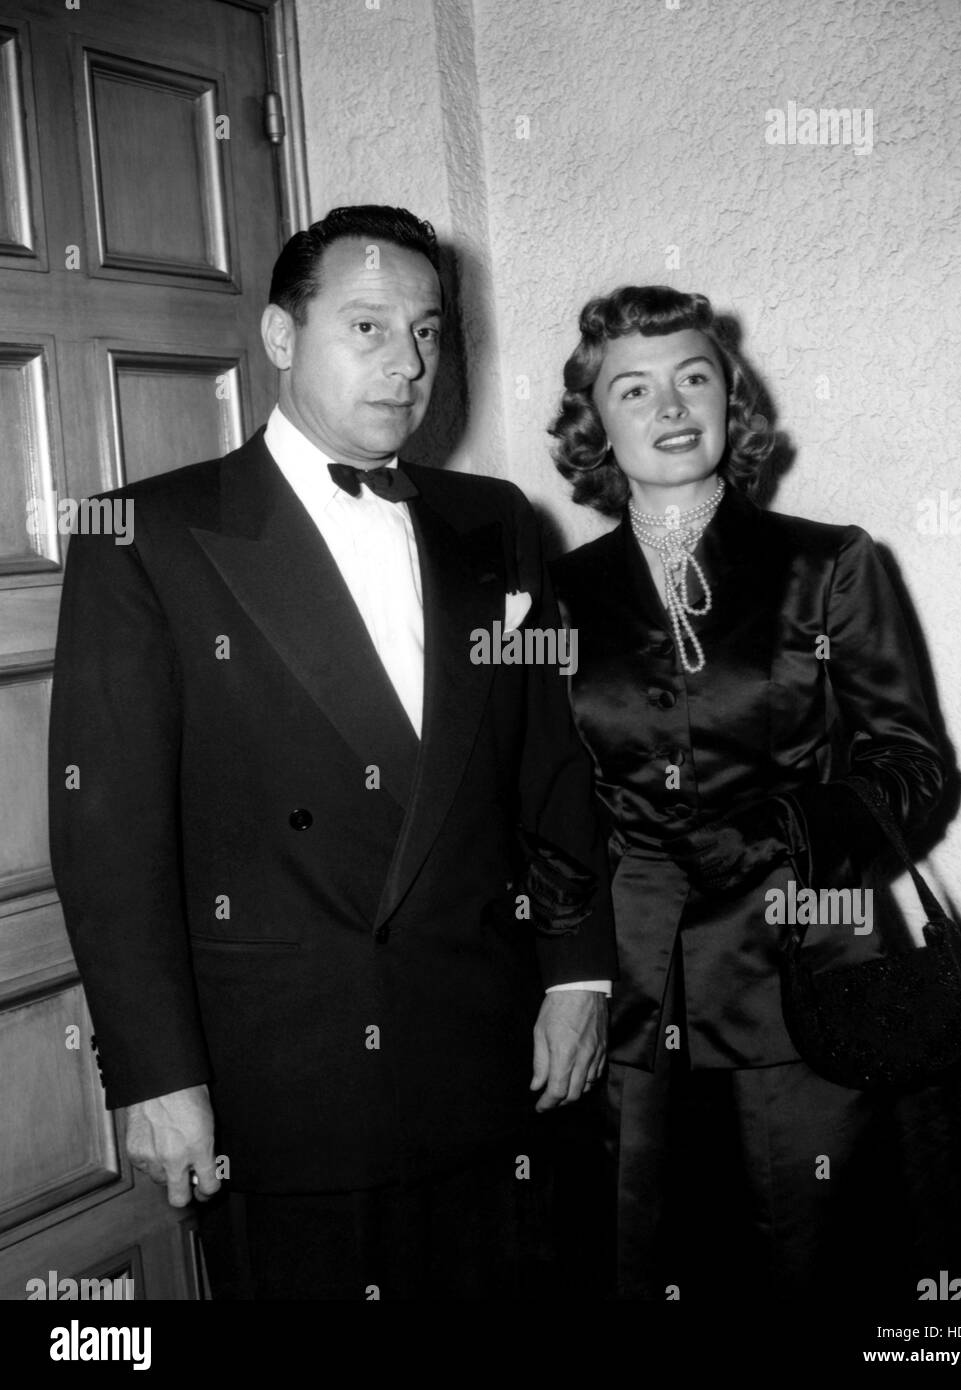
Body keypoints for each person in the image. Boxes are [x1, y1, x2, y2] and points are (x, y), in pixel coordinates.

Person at [47, 205, 616, 1301]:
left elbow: (549, 771)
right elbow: (107, 837)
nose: (407, 363)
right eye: (367, 326)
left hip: (494, 1066)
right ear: (277, 337)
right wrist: (158, 1074)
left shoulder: (496, 523)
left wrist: (576, 971)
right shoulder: (147, 535)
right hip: (280, 1088)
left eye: (429, 332)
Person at [548, 284, 961, 1302]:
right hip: (627, 1001)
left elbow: (913, 767)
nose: (670, 407)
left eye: (693, 378)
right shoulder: (558, 596)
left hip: (812, 977)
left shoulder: (827, 564)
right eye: (634, 389)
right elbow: (541, 802)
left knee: (826, 1265)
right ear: (595, 423)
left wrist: (786, 832)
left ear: (729, 399)